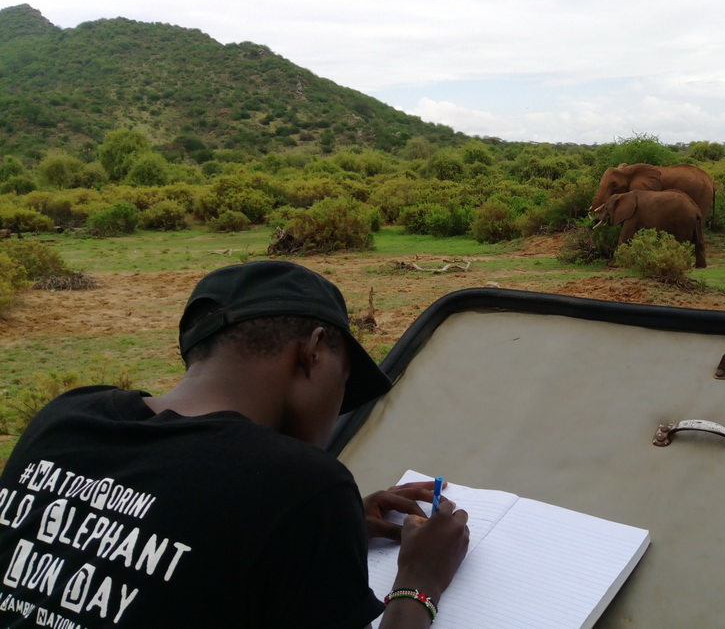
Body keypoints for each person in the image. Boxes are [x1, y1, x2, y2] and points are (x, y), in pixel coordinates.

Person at [0, 260, 469, 627]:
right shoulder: (302, 485)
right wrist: (418, 582)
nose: (338, 404)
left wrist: (321, 533)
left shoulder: (69, 415)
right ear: (314, 351)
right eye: (343, 381)